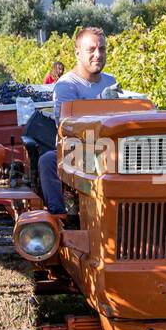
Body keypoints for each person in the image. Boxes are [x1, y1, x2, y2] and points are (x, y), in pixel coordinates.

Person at [39, 27, 118, 214]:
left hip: (110, 148)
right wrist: (102, 104)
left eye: (102, 49)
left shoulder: (110, 81)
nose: (98, 55)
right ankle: (61, 216)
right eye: (91, 50)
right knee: (48, 161)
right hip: (79, 151)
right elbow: (67, 127)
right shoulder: (66, 85)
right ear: (77, 53)